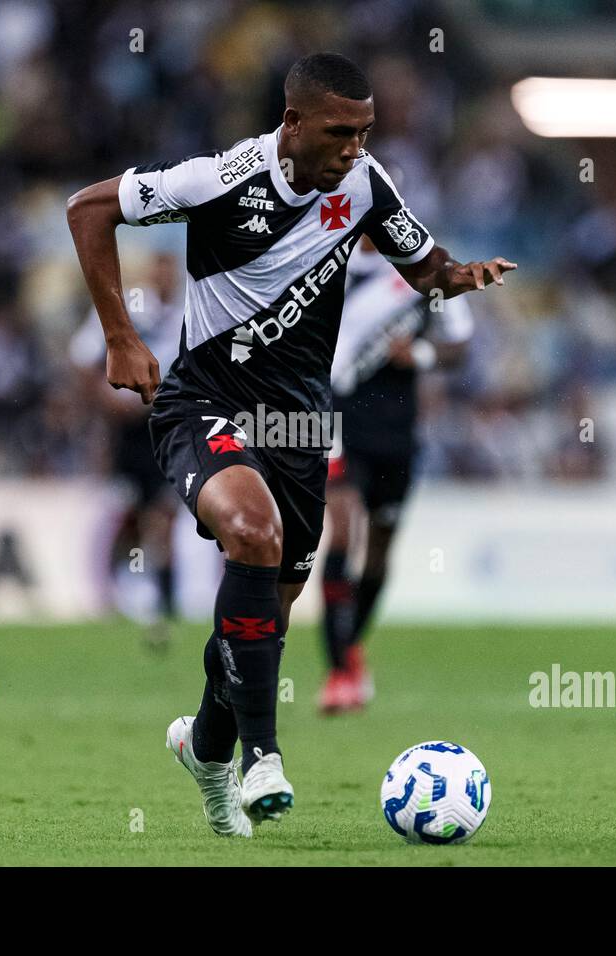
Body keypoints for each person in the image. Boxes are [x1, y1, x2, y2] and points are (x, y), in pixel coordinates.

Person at [65, 52, 515, 838]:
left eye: (366, 132)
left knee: (263, 614)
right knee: (252, 533)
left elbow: (425, 267)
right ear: (294, 122)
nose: (355, 147)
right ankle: (261, 757)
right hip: (203, 401)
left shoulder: (368, 184)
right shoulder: (218, 178)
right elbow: (86, 209)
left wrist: (460, 277)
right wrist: (120, 337)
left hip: (301, 427)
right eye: (341, 132)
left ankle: (205, 747)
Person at [318, 235, 473, 712]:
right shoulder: (327, 260)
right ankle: (340, 669)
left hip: (398, 426)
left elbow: (460, 346)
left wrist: (421, 355)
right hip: (340, 414)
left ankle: (351, 647)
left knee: (381, 550)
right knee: (342, 533)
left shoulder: (427, 270)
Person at [70, 253, 185, 649]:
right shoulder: (129, 307)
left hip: (167, 429)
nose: (164, 277)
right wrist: (107, 403)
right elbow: (83, 356)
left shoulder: (189, 312)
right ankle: (108, 598)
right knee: (128, 518)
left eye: (169, 269)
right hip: (127, 434)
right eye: (159, 268)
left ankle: (169, 607)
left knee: (165, 518)